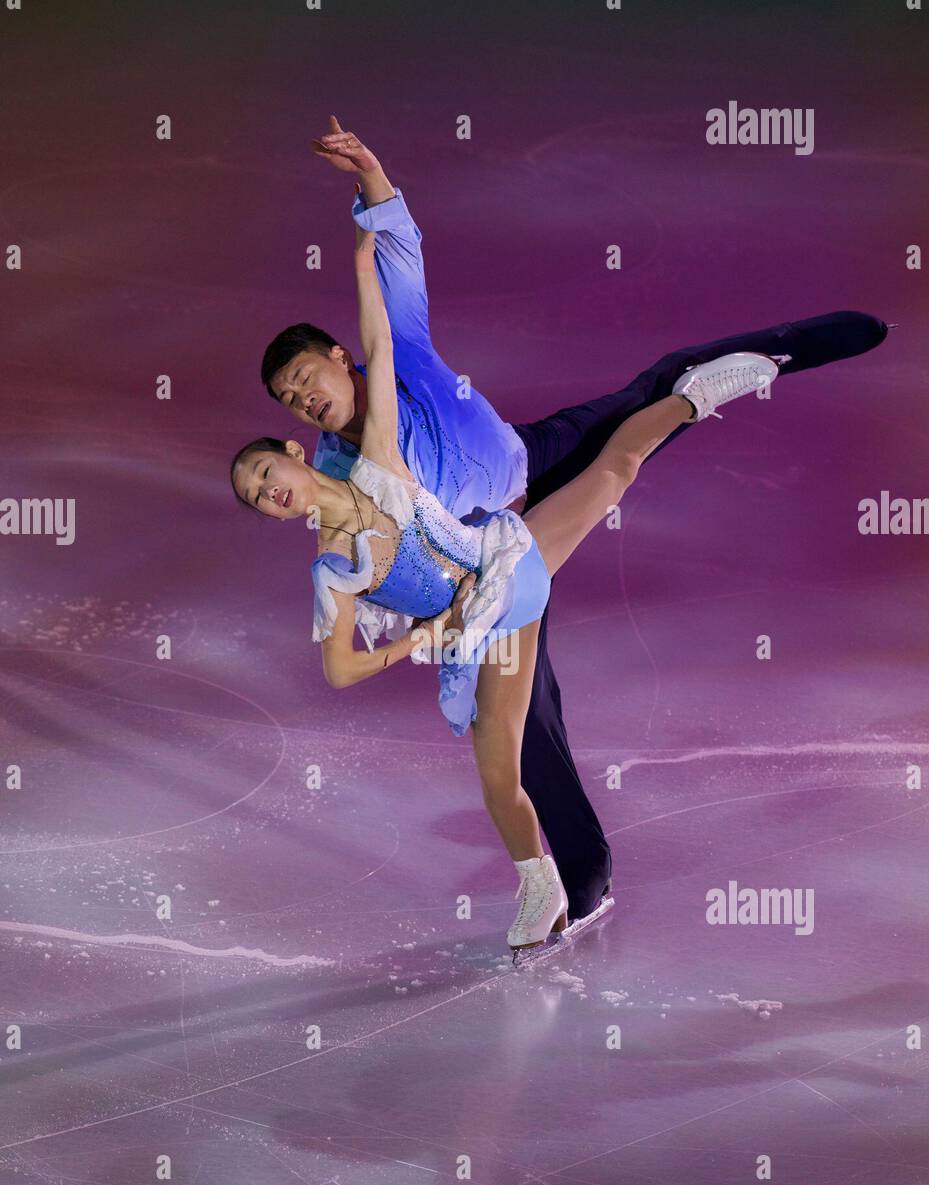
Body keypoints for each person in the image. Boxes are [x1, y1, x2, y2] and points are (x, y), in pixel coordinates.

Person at [256, 117, 889, 927]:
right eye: (289, 398)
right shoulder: (330, 475)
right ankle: (579, 884)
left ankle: (779, 354)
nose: (305, 398)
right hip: (487, 566)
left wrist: (371, 179)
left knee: (650, 393)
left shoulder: (397, 357)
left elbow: (398, 260)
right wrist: (425, 626)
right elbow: (377, 561)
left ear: (340, 359)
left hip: (533, 461)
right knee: (530, 729)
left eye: (307, 376)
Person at [232, 218, 783, 953]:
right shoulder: (331, 568)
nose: (270, 492)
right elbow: (339, 668)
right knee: (499, 774)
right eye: (256, 497)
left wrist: (366, 259)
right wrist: (424, 637)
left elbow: (377, 346)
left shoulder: (378, 466)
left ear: (295, 457)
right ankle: (539, 887)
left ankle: (697, 395)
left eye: (267, 473)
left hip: (505, 564)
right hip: (479, 631)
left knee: (612, 471)